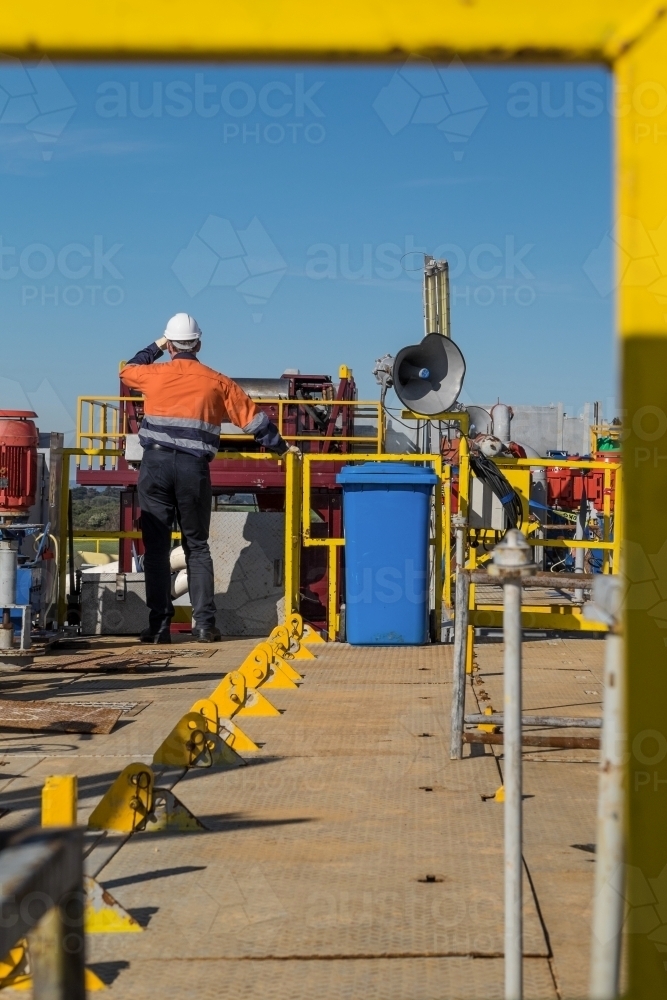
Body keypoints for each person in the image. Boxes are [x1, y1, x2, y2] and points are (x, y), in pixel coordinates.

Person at [121, 313, 296, 643]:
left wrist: (157, 345)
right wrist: (284, 450)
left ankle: (159, 628)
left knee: (157, 550)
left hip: (155, 465)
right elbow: (256, 424)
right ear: (199, 344)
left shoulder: (153, 374)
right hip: (193, 469)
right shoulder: (218, 382)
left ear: (170, 344)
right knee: (196, 548)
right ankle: (203, 626)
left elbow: (127, 368)